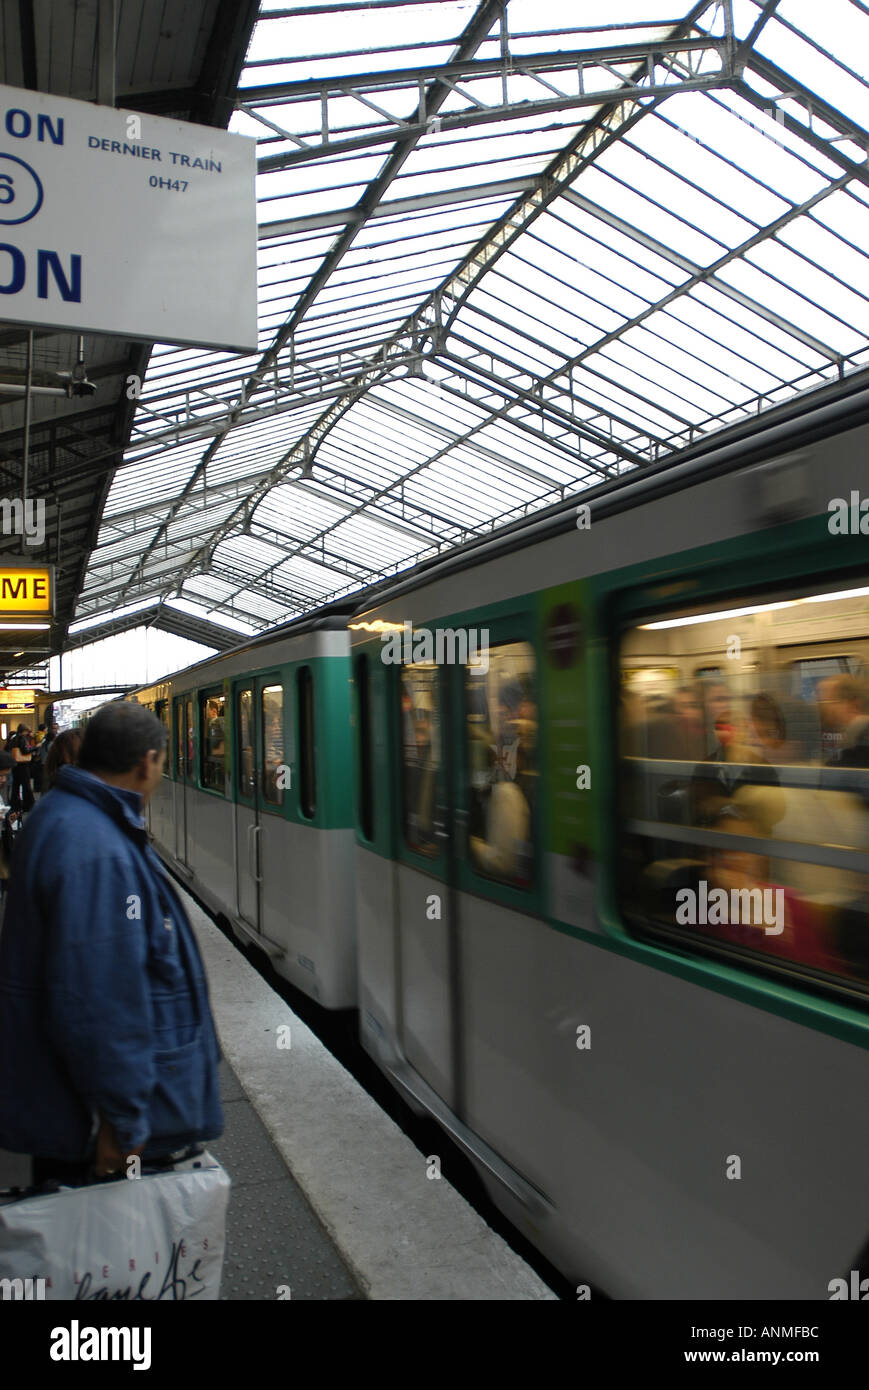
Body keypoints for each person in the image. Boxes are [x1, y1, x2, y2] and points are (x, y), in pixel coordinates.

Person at [0, 701, 223, 1183]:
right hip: (92, 1125)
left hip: (66, 1107)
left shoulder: (64, 816)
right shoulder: (96, 848)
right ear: (147, 762)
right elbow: (100, 997)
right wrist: (124, 1124)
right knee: (110, 1253)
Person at [8, 723, 34, 813]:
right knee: (26, 786)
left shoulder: (14, 738)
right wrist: (35, 748)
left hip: (16, 765)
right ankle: (28, 805)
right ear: (24, 731)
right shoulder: (22, 738)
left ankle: (15, 805)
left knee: (16, 786)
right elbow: (25, 750)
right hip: (23, 765)